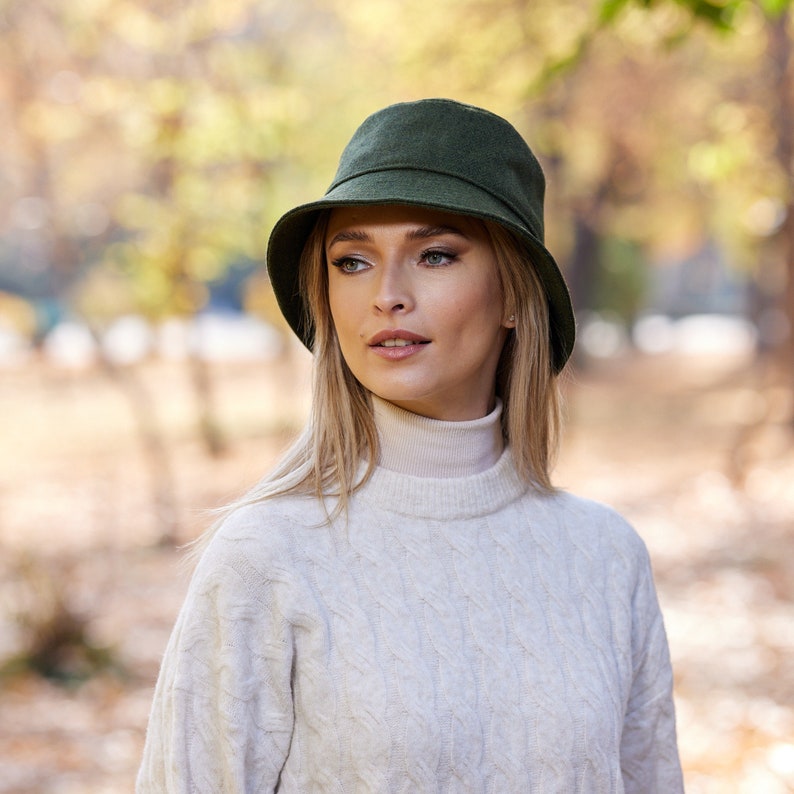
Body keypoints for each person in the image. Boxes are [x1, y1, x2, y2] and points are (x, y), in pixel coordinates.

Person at [137, 98, 683, 792]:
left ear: (516, 294)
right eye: (353, 260)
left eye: (434, 254)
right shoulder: (267, 556)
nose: (387, 295)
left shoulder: (606, 556)